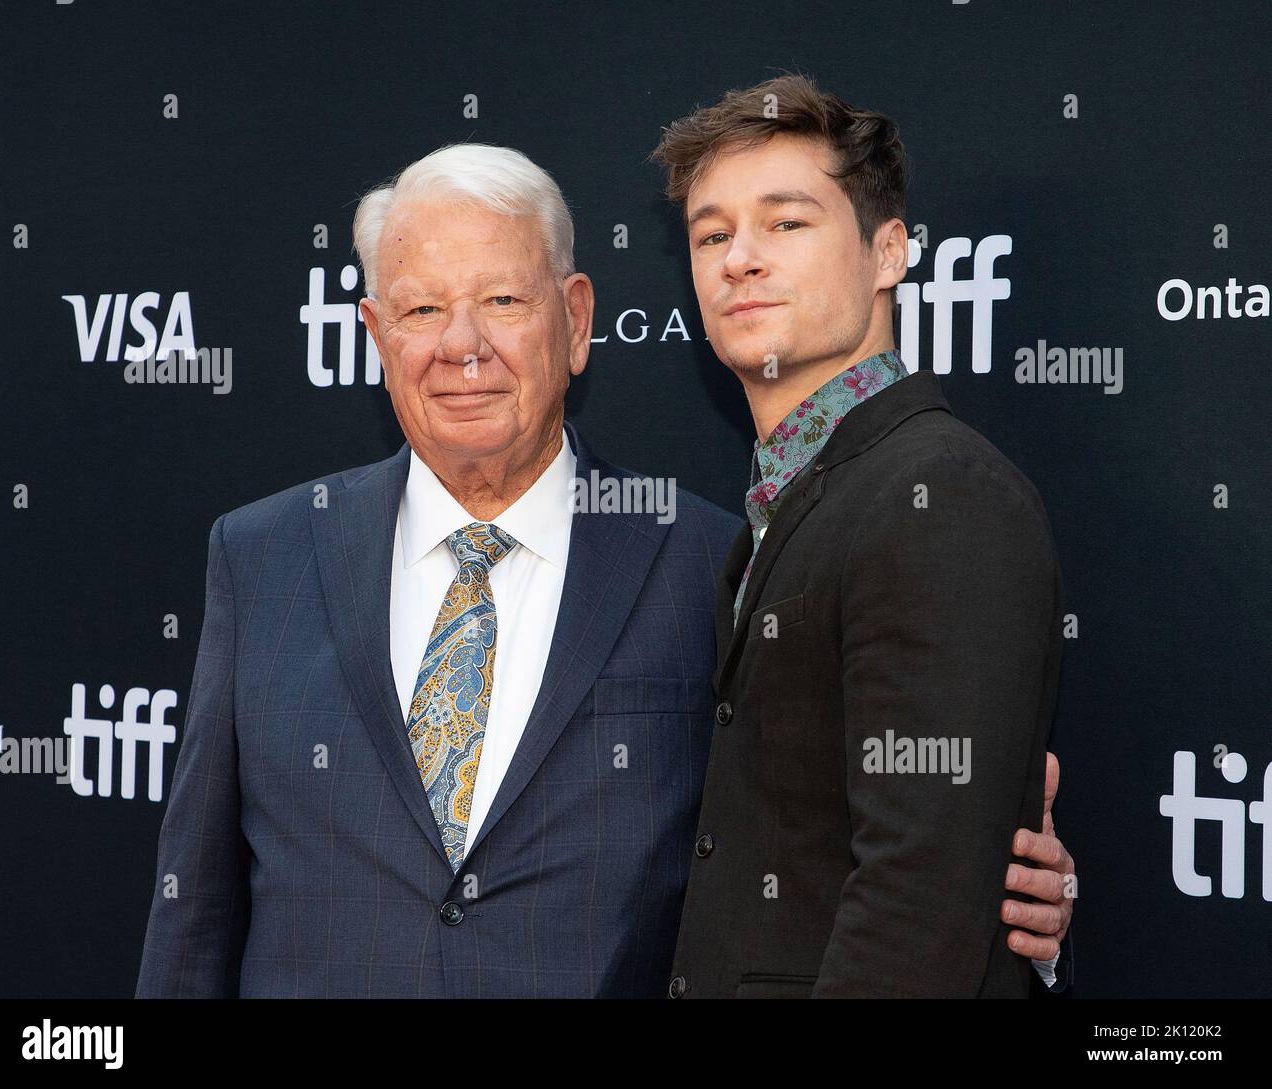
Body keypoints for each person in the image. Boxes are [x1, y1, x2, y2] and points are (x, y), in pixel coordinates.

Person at [136, 142, 1070, 999]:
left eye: (504, 301)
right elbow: (196, 913)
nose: (463, 345)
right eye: (422, 308)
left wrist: (1001, 881)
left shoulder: (711, 560)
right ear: (377, 336)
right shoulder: (260, 557)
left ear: (576, 320)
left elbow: (835, 844)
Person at [652, 75, 1073, 998]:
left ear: (889, 253)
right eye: (713, 234)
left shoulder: (941, 492)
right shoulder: (782, 505)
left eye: (787, 223)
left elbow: (918, 902)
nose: (741, 260)